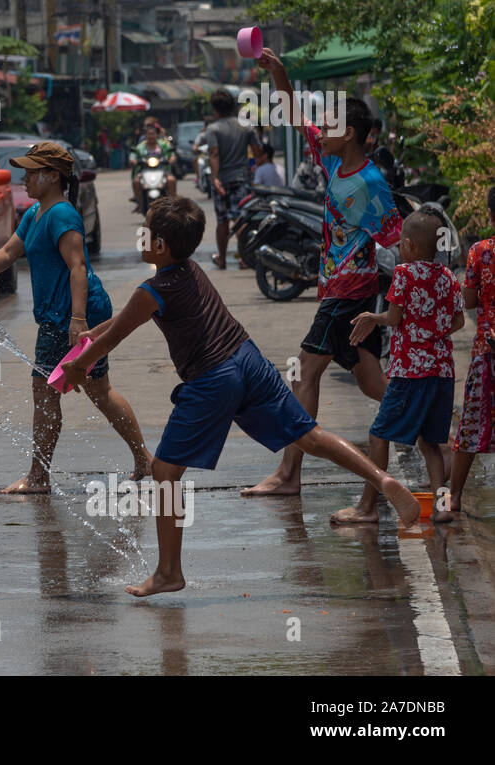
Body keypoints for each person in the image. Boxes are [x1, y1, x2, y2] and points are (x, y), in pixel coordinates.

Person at [59, 197, 420, 597]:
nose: (140, 236)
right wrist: (95, 334)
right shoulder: (189, 270)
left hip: (213, 378)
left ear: (160, 246)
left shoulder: (154, 287)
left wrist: (78, 366)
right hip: (247, 359)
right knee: (308, 435)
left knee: (164, 472)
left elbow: (117, 334)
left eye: (145, 232)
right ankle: (381, 478)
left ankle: (168, 573)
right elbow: (129, 316)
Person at [243, 48, 403, 497]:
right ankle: (434, 435)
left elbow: (399, 243)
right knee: (373, 383)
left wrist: (398, 307)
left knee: (305, 374)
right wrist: (279, 72)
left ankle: (288, 474)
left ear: (349, 133)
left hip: (349, 292)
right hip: (339, 287)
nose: (320, 132)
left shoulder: (371, 184)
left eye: (329, 126)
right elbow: (294, 116)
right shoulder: (333, 159)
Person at [0, 142, 152, 493]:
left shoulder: (62, 214)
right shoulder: (35, 214)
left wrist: (77, 322)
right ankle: (143, 461)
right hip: (62, 314)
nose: (24, 179)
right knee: (99, 391)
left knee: (46, 392)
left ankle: (38, 477)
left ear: (52, 176)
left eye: (31, 172)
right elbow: (7, 253)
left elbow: (77, 267)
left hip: (73, 315)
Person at [332, 210, 464, 523]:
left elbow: (394, 318)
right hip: (442, 372)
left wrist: (371, 317)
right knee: (431, 443)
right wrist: (434, 332)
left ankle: (367, 507)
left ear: (409, 245)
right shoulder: (446, 276)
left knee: (379, 436)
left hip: (410, 373)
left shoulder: (404, 274)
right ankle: (441, 506)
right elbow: (458, 320)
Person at [445, 186, 495, 522]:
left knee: (472, 424)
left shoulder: (480, 252)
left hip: (487, 350)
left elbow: (471, 301)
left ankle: (455, 496)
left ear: (490, 215)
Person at [206, 89, 261, 269]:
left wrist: (214, 178)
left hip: (221, 180)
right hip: (242, 179)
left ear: (215, 109)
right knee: (240, 220)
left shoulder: (213, 129)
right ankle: (245, 258)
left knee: (222, 220)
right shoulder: (246, 126)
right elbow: (258, 151)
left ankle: (222, 258)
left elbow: (214, 155)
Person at [130, 118, 176, 212]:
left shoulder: (164, 144)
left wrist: (170, 160)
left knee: (171, 180)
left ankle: (172, 204)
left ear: (156, 134)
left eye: (153, 134)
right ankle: (140, 202)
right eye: (149, 134)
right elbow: (133, 157)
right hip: (144, 171)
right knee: (136, 182)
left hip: (163, 170)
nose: (151, 136)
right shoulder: (140, 147)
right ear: (145, 135)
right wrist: (134, 161)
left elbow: (172, 155)